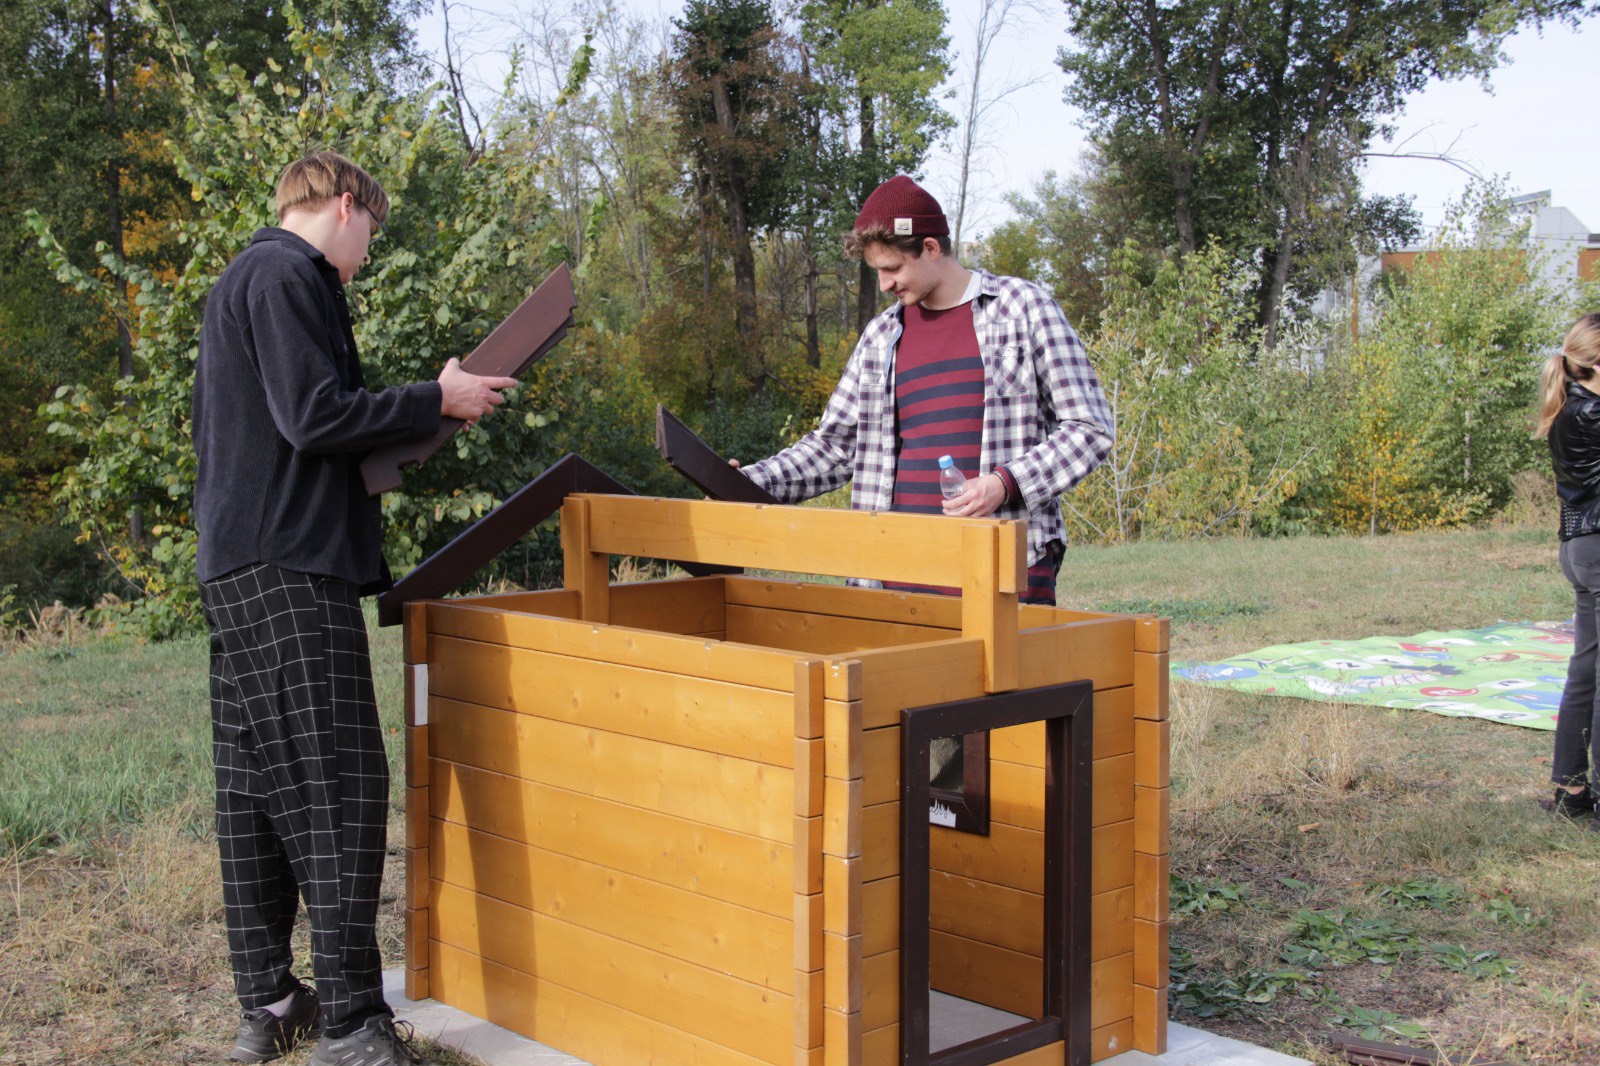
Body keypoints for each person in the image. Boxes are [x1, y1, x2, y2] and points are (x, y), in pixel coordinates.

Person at [192, 151, 518, 1065]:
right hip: (292, 567)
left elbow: (290, 430)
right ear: (345, 206)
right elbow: (315, 415)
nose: (367, 252)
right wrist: (435, 396)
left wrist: (427, 411)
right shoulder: (290, 274)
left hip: (236, 567)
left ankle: (271, 1001)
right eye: (371, 231)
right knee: (340, 787)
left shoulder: (237, 284)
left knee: (253, 788)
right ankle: (349, 1023)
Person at [736, 175, 1114, 605]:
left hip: (1005, 572)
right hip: (893, 577)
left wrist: (1003, 484)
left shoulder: (1024, 309)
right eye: (877, 271)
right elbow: (834, 447)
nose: (884, 285)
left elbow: (1089, 427)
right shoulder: (881, 336)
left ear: (931, 248)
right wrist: (744, 483)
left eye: (892, 268)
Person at [1536, 311, 1600, 830]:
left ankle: (1572, 788)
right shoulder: (1593, 415)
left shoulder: (1570, 409)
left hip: (1579, 545)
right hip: (1596, 545)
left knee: (1586, 670)